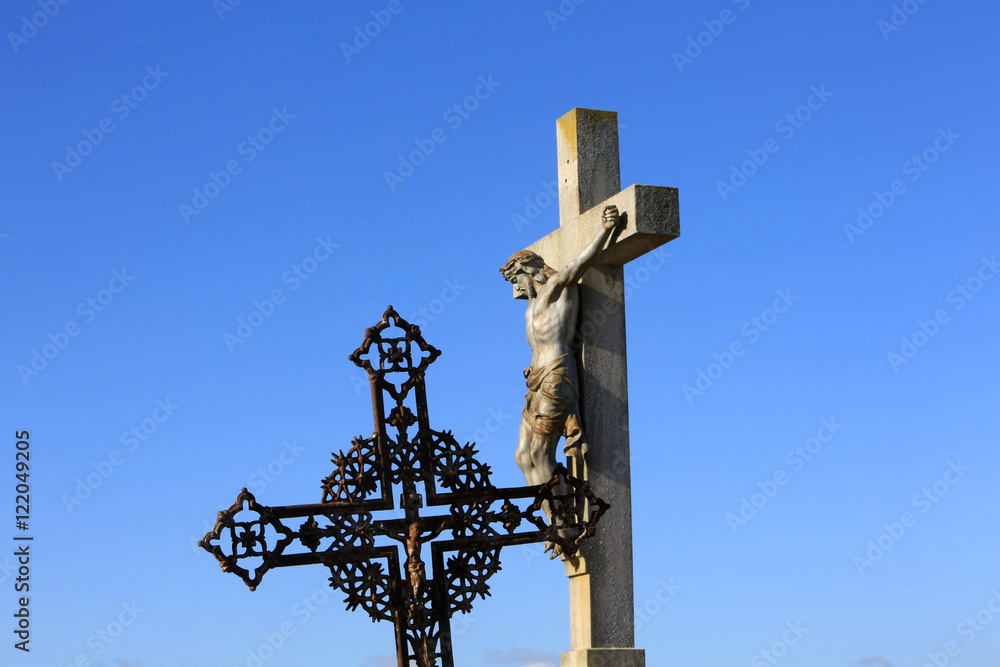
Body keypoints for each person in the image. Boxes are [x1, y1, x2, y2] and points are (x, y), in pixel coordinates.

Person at [499, 205, 623, 491]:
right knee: (522, 457)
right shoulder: (530, 305)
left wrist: (604, 230)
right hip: (536, 381)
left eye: (515, 281)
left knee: (540, 453)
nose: (515, 290)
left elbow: (579, 263)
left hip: (556, 377)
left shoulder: (557, 287)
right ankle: (553, 521)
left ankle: (563, 525)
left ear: (528, 270)